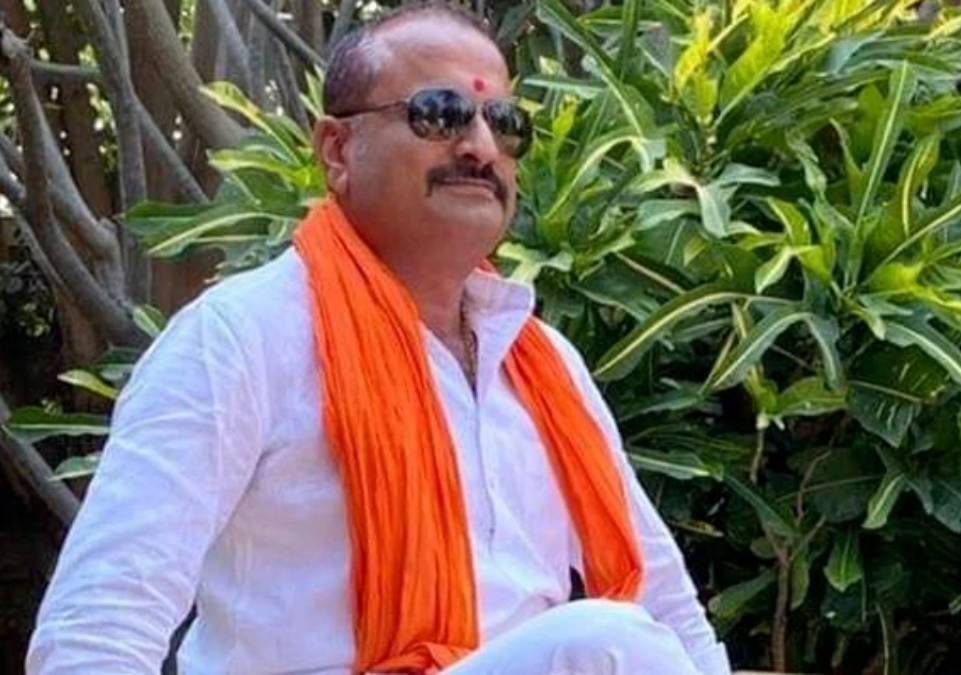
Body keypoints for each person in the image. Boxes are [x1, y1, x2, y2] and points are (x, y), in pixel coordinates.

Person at [26, 3, 732, 674]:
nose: (481, 146)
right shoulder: (241, 338)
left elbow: (667, 604)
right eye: (439, 114)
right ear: (337, 149)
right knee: (603, 646)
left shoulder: (544, 364)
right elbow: (100, 620)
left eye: (504, 122)